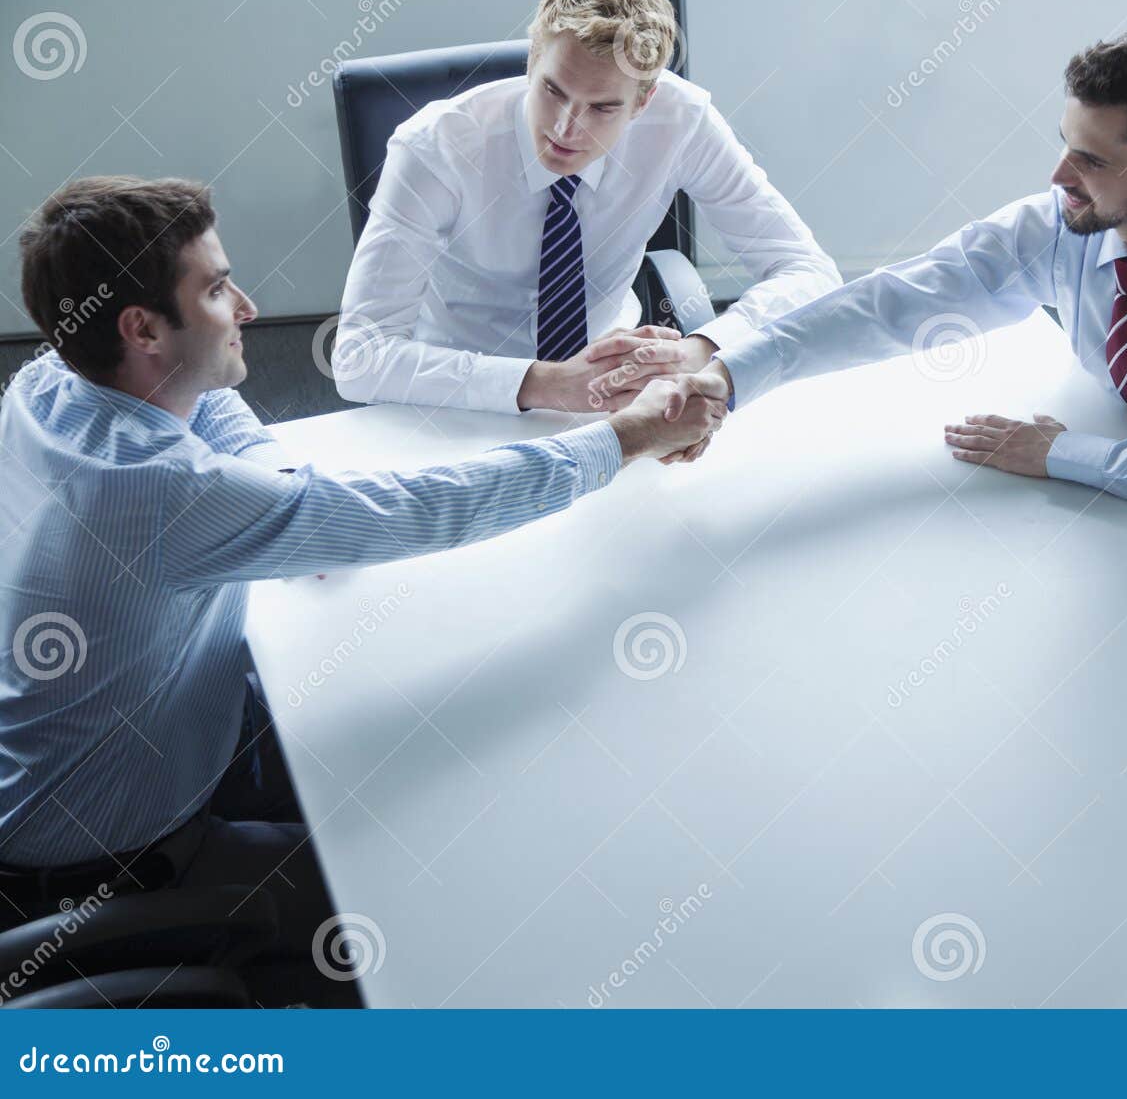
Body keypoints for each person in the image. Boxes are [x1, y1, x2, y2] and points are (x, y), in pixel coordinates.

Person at [0, 176, 721, 994]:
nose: (247, 305)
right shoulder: (154, 495)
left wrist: (278, 494)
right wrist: (626, 437)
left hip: (119, 749)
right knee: (428, 903)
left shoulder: (52, 383)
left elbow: (201, 408)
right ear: (141, 328)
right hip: (114, 857)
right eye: (213, 290)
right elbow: (424, 509)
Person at [626, 26, 1127, 558]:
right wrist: (725, 375)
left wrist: (1061, 453)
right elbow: (893, 301)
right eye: (1064, 142)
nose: (1059, 173)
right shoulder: (1063, 223)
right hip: (1120, 528)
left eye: (1090, 159)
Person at [336, 0, 840, 450]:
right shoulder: (437, 147)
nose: (564, 129)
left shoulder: (681, 122)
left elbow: (809, 272)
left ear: (644, 101)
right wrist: (549, 382)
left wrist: (700, 350)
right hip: (459, 400)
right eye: (553, 91)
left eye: (602, 107)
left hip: (618, 396)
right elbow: (359, 357)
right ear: (534, 59)